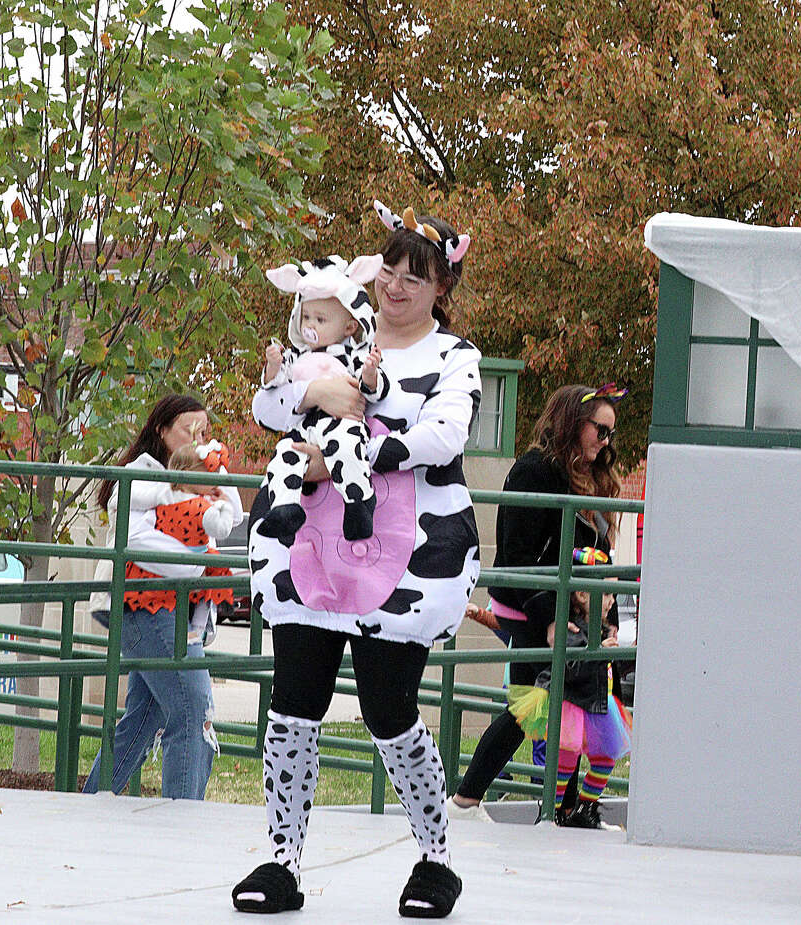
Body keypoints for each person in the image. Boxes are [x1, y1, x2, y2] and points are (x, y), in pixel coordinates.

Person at [232, 200, 479, 918]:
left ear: (441, 287)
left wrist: (354, 449)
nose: (398, 286)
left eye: (416, 275)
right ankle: (282, 857)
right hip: (311, 538)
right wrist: (309, 391)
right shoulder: (340, 335)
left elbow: (445, 434)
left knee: (388, 707)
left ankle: (436, 855)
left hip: (406, 549)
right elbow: (270, 405)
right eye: (391, 271)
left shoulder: (453, 357)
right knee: (294, 698)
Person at [447, 383, 625, 828]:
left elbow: (601, 559)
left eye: (610, 434)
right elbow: (520, 554)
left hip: (578, 613)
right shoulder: (535, 470)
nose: (605, 442)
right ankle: (465, 801)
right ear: (571, 422)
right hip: (531, 608)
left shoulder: (594, 480)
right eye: (598, 430)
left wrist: (611, 620)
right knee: (531, 706)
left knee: (579, 708)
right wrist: (549, 619)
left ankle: (568, 809)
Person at [84, 394, 243, 800]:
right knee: (193, 711)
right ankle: (183, 818)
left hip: (174, 606)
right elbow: (137, 538)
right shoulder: (144, 475)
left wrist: (213, 476)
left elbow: (232, 511)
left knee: (144, 716)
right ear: (161, 429)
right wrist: (194, 563)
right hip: (143, 602)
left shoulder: (198, 476)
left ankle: (87, 805)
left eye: (204, 430)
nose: (198, 437)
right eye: (189, 429)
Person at [259, 254, 387, 545]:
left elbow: (375, 389)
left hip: (341, 423)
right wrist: (273, 366)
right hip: (306, 427)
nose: (310, 325)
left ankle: (359, 501)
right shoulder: (297, 355)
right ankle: (284, 509)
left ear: (349, 327)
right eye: (306, 317)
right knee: (284, 456)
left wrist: (369, 373)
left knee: (347, 447)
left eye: (320, 319)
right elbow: (272, 389)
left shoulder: (353, 355)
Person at [507, 591, 631, 829]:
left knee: (605, 758)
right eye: (606, 594)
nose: (612, 601)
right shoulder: (573, 629)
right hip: (572, 703)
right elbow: (571, 667)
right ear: (584, 596)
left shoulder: (603, 629)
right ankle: (550, 813)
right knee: (565, 759)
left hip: (597, 702)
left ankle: (585, 810)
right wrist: (598, 653)